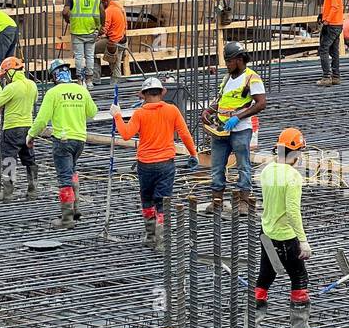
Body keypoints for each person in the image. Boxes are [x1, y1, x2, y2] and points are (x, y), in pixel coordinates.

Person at [111, 76, 199, 248]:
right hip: (166, 164)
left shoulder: (140, 113)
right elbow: (185, 134)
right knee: (163, 201)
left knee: (147, 199)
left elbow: (126, 134)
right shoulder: (172, 110)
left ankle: (151, 236)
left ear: (144, 95)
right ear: (161, 93)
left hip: (145, 164)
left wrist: (117, 116)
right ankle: (161, 240)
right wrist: (193, 154)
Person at [28, 57, 97, 228]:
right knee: (72, 171)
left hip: (63, 141)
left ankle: (67, 219)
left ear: (54, 77)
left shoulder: (53, 93)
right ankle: (76, 209)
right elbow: (92, 112)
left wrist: (31, 135)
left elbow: (42, 120)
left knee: (64, 177)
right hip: (80, 140)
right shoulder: (81, 90)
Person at [255, 127, 311, 328]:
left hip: (266, 232)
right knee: (299, 277)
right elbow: (292, 211)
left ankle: (252, 325)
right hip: (285, 237)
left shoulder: (267, 170)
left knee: (265, 276)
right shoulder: (293, 177)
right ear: (295, 153)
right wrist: (303, 241)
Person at [201, 41, 266, 212]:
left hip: (241, 129)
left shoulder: (252, 78)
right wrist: (208, 110)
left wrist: (238, 117)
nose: (227, 64)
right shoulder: (227, 78)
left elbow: (261, 104)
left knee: (243, 165)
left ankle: (244, 201)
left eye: (229, 61)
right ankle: (217, 201)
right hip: (222, 129)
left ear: (239, 59)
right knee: (217, 166)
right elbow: (221, 99)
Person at [0, 56, 38, 201]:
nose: (5, 78)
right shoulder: (32, 85)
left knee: (9, 159)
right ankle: (33, 190)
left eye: (6, 75)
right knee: (29, 158)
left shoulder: (11, 87)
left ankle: (8, 193)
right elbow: (34, 100)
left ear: (10, 72)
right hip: (28, 128)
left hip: (12, 128)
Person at [62, 0, 102, 88]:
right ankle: (89, 81)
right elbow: (102, 11)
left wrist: (68, 20)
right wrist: (101, 26)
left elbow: (65, 12)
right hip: (92, 29)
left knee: (79, 56)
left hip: (77, 31)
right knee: (90, 55)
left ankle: (80, 81)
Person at [317, 0, 344, 87]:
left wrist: (326, 20)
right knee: (334, 51)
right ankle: (336, 77)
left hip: (332, 25)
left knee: (323, 49)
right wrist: (322, 15)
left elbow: (335, 7)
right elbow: (331, 6)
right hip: (336, 24)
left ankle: (326, 77)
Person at [98, 0, 128, 80]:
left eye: (99, 4)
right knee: (116, 65)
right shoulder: (119, 7)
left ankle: (95, 79)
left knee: (90, 49)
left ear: (105, 2)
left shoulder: (108, 11)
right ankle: (115, 85)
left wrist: (95, 35)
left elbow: (104, 29)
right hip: (123, 40)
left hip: (114, 42)